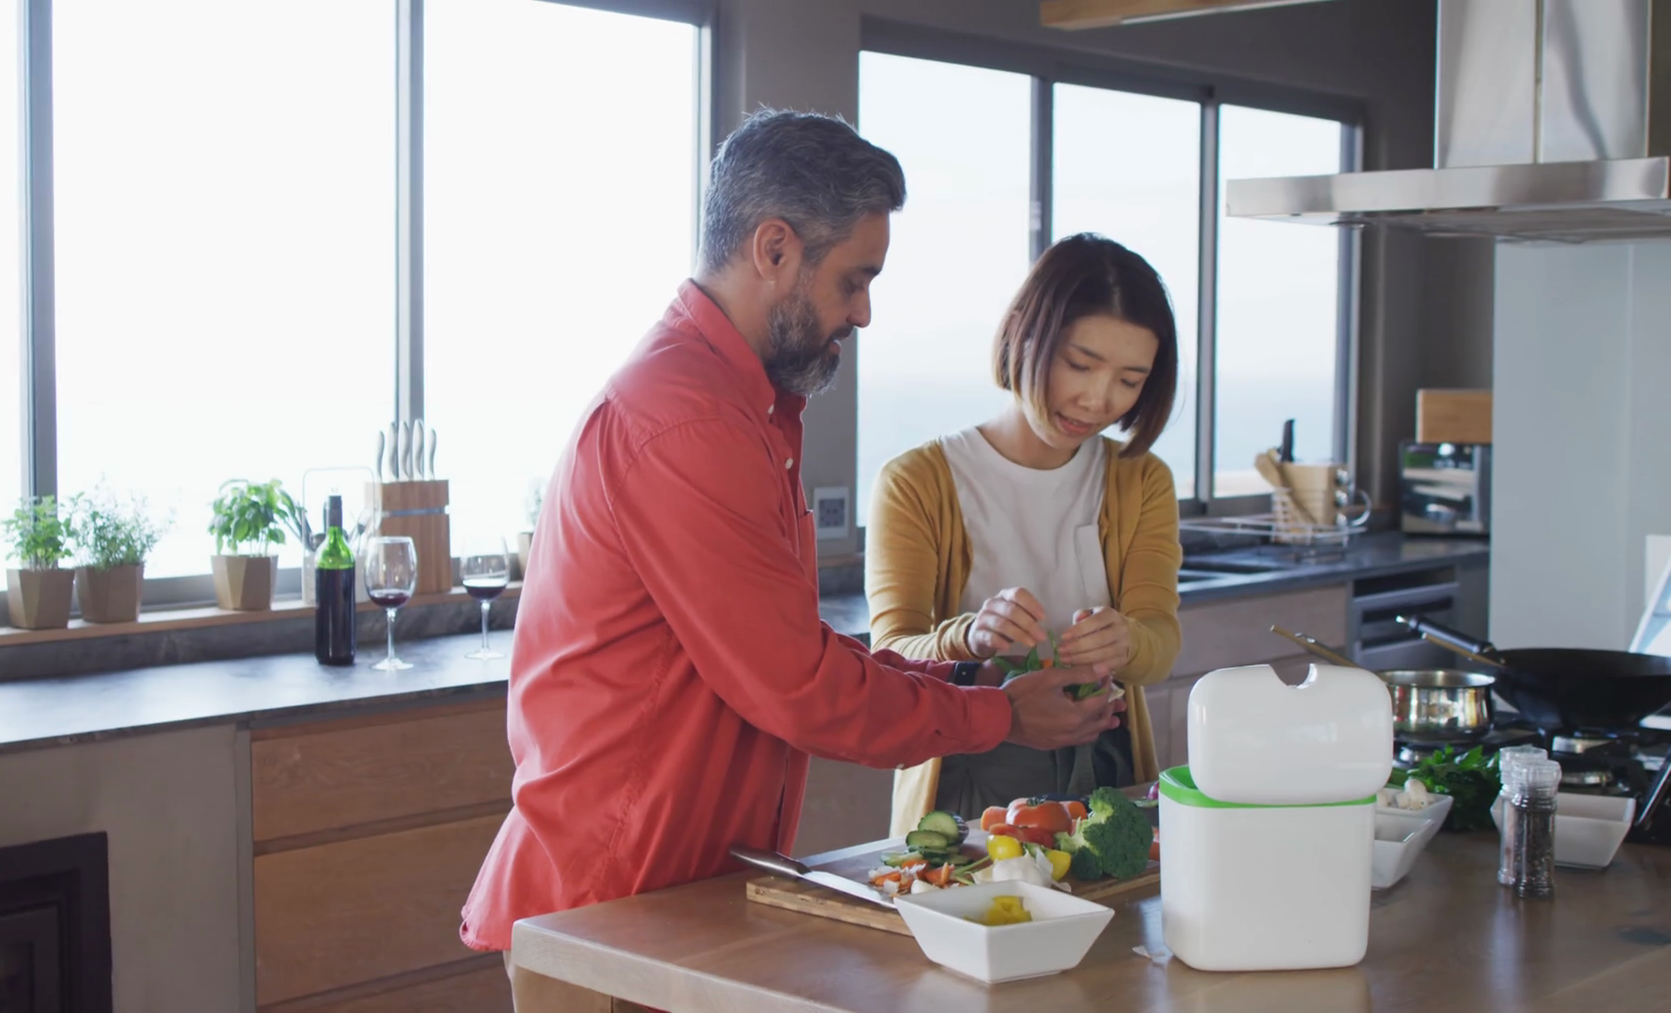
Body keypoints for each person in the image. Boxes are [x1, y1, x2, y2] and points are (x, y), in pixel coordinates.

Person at [460, 111, 1127, 1004]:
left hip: (675, 895)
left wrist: (973, 689)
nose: (864, 311)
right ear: (774, 248)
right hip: (609, 908)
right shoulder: (688, 423)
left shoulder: (739, 410)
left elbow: (790, 650)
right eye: (855, 279)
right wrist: (998, 719)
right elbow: (797, 687)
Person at [867, 233, 1184, 836]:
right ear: (1022, 335)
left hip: (1105, 770)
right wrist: (970, 636)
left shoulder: (1140, 480)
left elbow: (1160, 641)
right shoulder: (915, 481)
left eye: (1129, 379)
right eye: (1080, 364)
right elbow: (889, 656)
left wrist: (1126, 642)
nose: (1097, 400)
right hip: (963, 777)